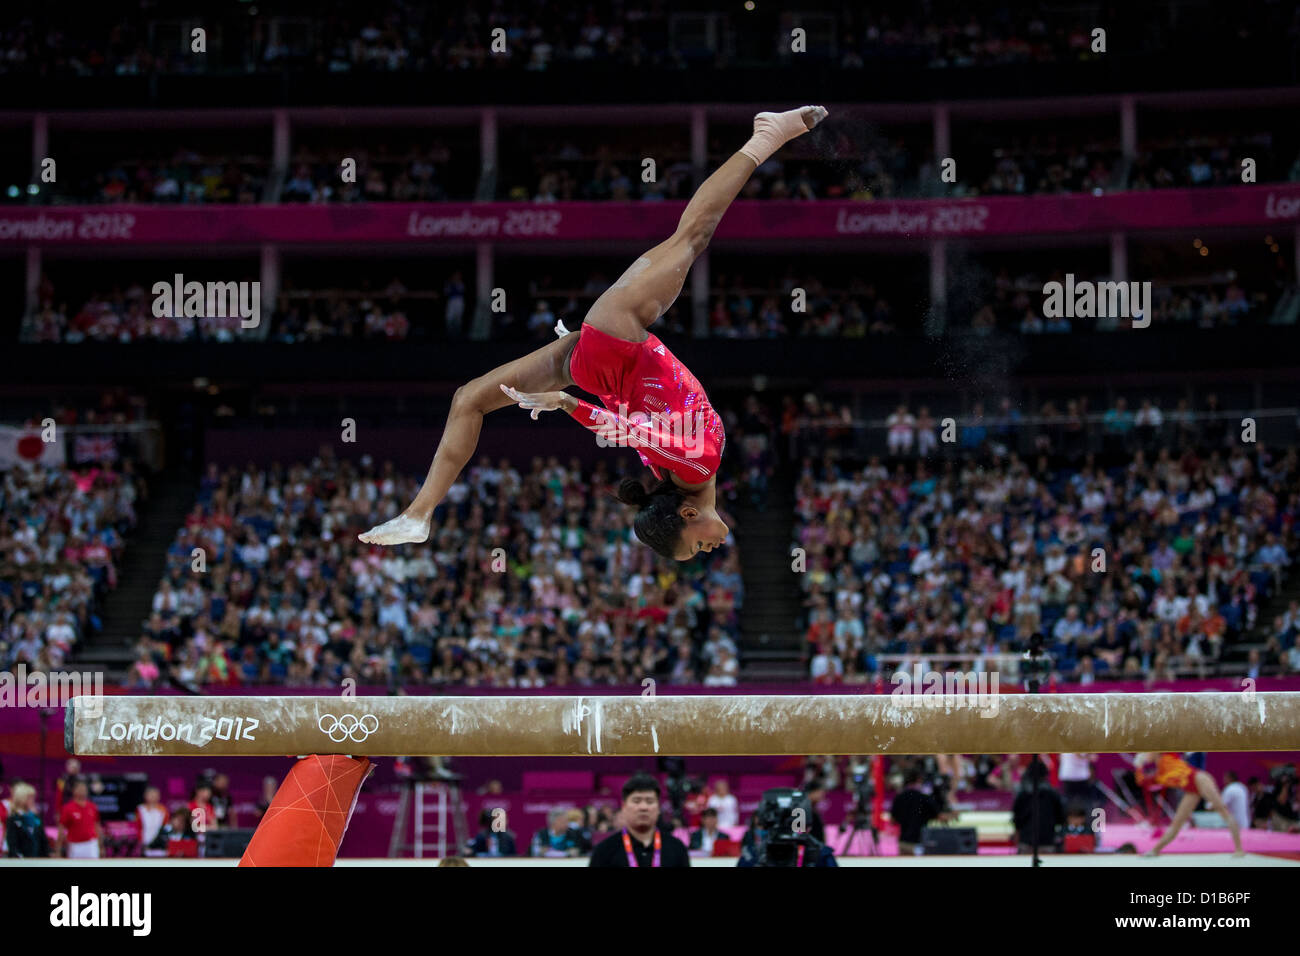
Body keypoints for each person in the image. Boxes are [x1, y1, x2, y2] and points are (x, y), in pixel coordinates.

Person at [360, 106, 829, 562]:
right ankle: (418, 515)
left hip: (615, 344)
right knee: (469, 399)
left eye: (699, 545)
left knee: (693, 236)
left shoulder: (695, 468)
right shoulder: (673, 476)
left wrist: (569, 403)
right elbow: (640, 414)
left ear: (688, 514)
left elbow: (632, 431)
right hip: (599, 364)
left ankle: (768, 134)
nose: (712, 547)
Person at [1134, 752, 1245, 856]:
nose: (1145, 754)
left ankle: (1239, 849)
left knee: (1223, 811)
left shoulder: (1169, 755)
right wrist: (1139, 766)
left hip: (1200, 779)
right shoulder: (1159, 776)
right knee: (1177, 823)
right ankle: (1155, 851)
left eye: (1147, 752)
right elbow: (1142, 782)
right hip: (1191, 790)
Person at [589, 773, 690, 867]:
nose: (643, 807)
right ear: (624, 806)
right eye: (636, 801)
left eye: (649, 801)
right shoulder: (604, 850)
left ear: (659, 807)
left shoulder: (677, 848)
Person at [1012, 759, 1065, 855]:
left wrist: (1017, 833)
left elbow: (1016, 818)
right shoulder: (1052, 793)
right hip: (1047, 840)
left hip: (1026, 840)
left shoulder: (1022, 793)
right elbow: (1061, 818)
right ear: (1045, 775)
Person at [890, 768, 945, 855]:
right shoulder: (925, 798)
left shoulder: (899, 797)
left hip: (904, 842)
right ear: (919, 779)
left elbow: (892, 820)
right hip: (920, 842)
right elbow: (940, 817)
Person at [57, 778, 103, 859]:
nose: (82, 791)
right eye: (80, 788)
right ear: (74, 791)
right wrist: (58, 849)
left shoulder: (92, 807)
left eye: (84, 789)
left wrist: (101, 846)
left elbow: (97, 827)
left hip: (91, 844)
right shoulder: (68, 808)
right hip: (75, 845)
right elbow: (61, 829)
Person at [4, 783, 51, 858]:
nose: (33, 800)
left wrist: (47, 855)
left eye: (33, 797)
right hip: (20, 862)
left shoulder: (36, 818)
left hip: (38, 860)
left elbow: (43, 840)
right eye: (30, 797)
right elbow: (12, 844)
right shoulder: (13, 819)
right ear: (21, 798)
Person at [135, 786, 167, 857]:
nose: (153, 796)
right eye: (150, 794)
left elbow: (165, 829)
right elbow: (137, 827)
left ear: (159, 796)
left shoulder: (163, 810)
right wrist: (140, 844)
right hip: (144, 845)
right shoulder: (140, 809)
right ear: (145, 796)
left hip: (159, 847)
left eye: (155, 794)